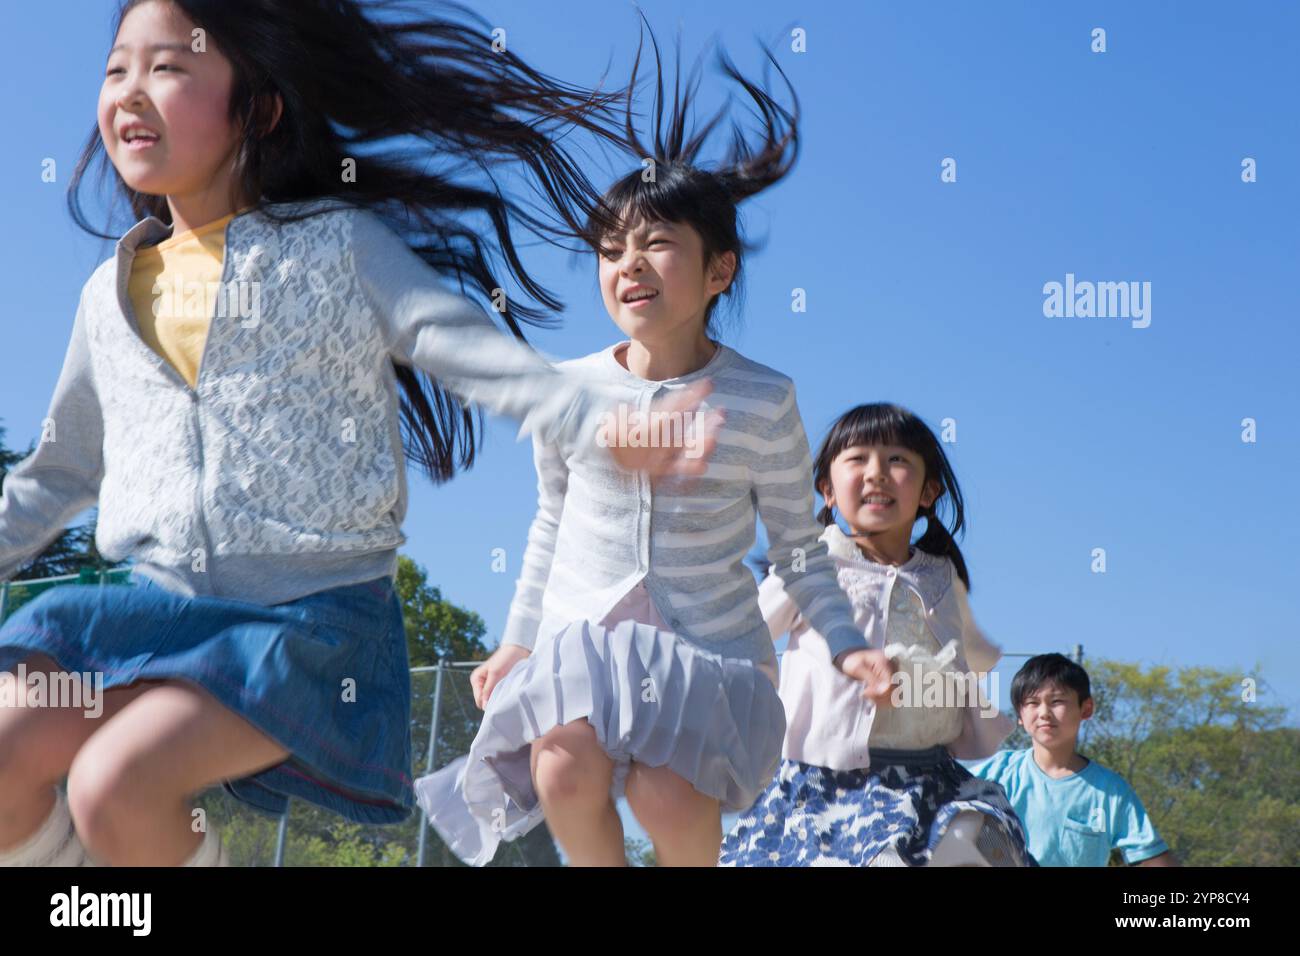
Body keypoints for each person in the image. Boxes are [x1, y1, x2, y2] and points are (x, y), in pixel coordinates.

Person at [0, 0, 708, 867]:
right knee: (6, 741)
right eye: (116, 71)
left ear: (257, 110)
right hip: (155, 609)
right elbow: (63, 465)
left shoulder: (333, 246)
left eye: (168, 67)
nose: (130, 93)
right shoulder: (104, 299)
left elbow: (456, 339)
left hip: (309, 624)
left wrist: (596, 420)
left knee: (116, 783)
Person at [415, 29, 892, 867]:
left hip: (707, 653)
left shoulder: (763, 397)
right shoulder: (565, 389)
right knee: (563, 767)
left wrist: (847, 642)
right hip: (580, 640)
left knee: (667, 797)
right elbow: (549, 522)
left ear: (719, 272)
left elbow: (797, 546)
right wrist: (517, 642)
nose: (627, 264)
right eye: (609, 251)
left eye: (656, 243)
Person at [720, 403, 1036, 866]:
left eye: (898, 460)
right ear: (827, 490)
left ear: (929, 491)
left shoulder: (941, 577)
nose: (877, 473)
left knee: (984, 843)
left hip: (933, 777)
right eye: (857, 459)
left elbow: (970, 656)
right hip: (828, 785)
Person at [967, 654, 1176, 866]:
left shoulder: (1111, 792)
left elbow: (1154, 859)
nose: (1044, 713)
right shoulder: (993, 774)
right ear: (1020, 715)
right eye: (1032, 702)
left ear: (1086, 709)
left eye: (1056, 701)